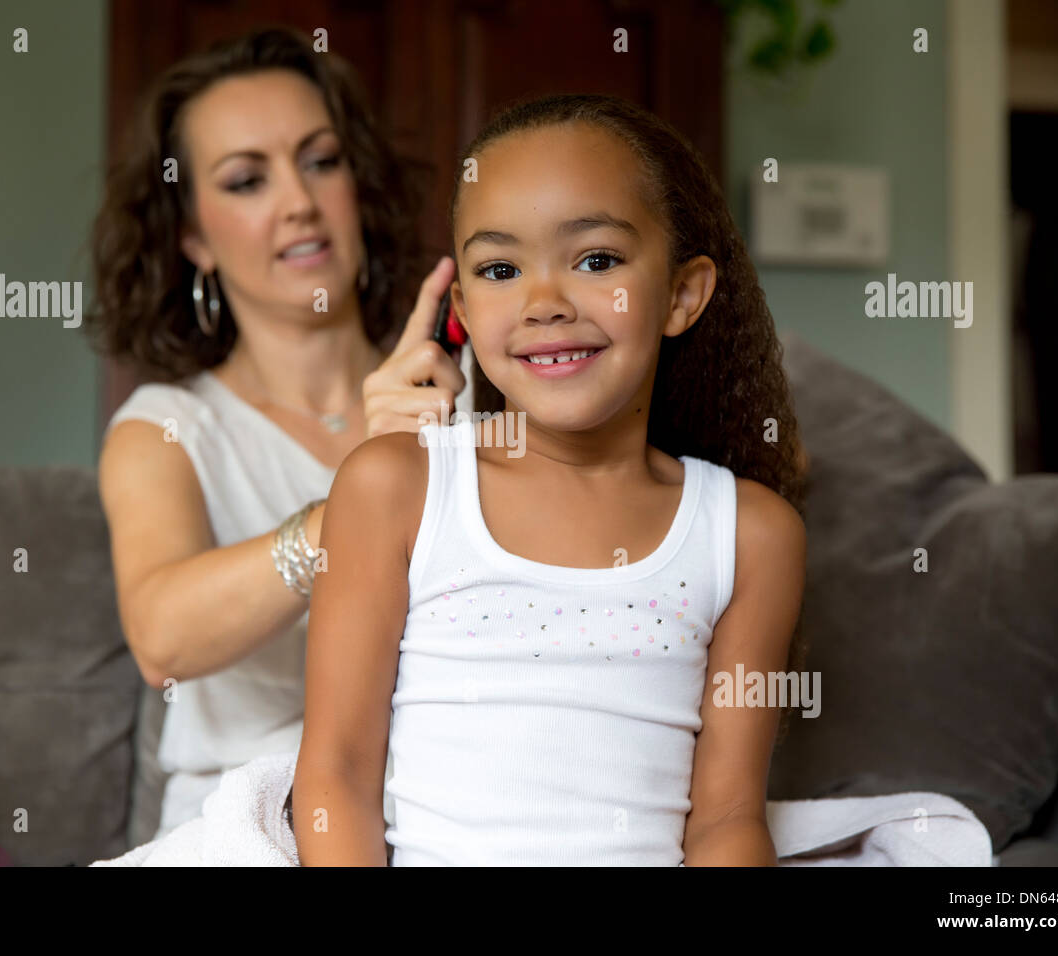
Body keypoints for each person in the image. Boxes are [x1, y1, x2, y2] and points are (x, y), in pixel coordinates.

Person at [293, 93, 809, 865]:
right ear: (462, 309)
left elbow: (728, 818)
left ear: (681, 293)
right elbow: (336, 775)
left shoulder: (752, 534)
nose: (544, 304)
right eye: (501, 269)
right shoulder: (395, 487)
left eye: (596, 260)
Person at [85, 27, 470, 840]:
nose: (299, 200)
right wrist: (358, 500)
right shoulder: (166, 430)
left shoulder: (468, 397)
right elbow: (162, 635)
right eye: (247, 179)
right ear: (192, 237)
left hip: (448, 808)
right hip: (249, 822)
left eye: (321, 160)